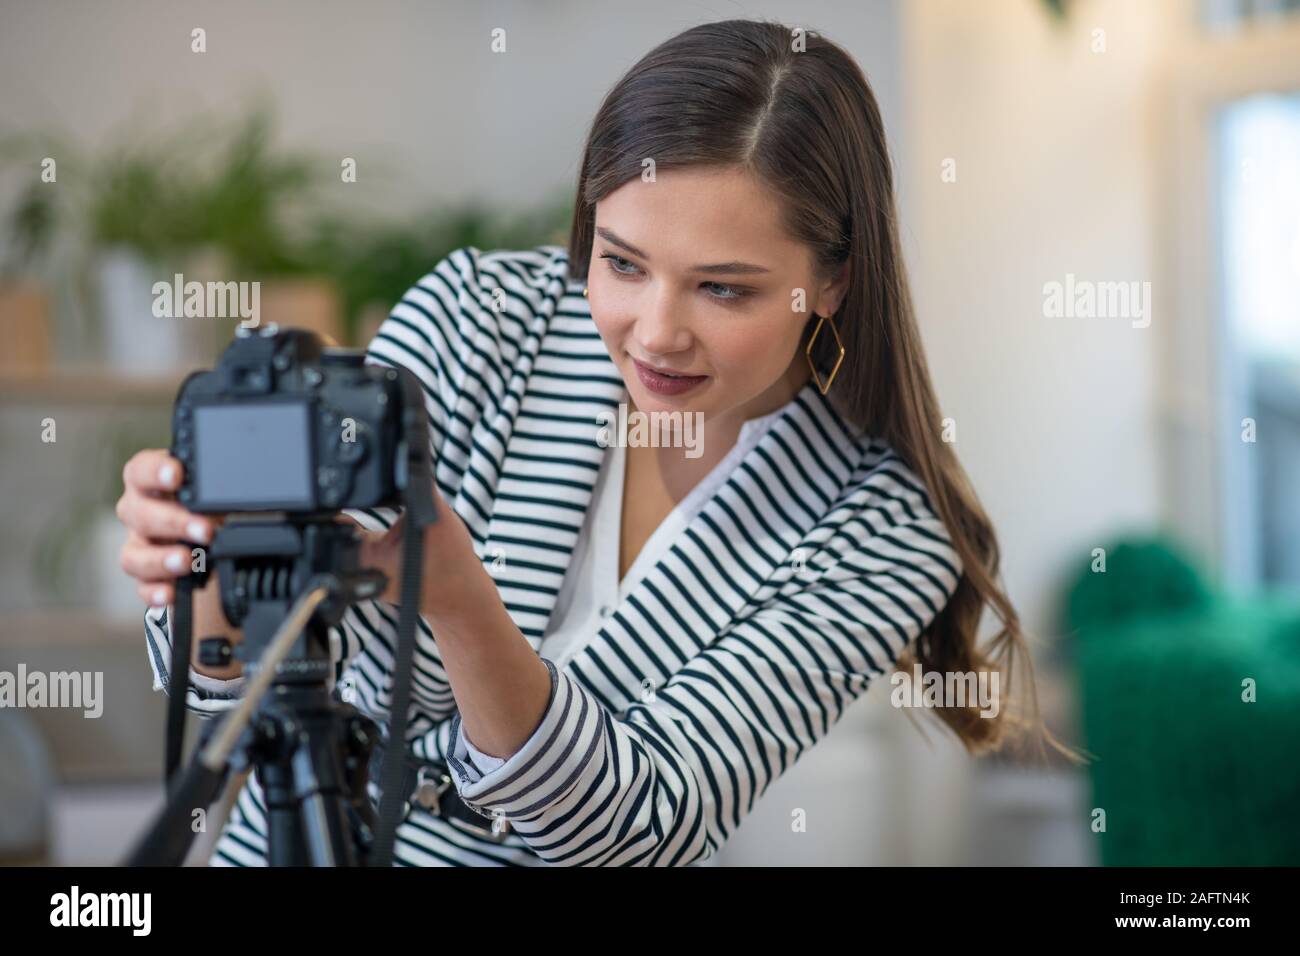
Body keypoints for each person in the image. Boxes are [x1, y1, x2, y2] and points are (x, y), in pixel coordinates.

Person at [116, 19, 1067, 867]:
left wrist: (460, 602)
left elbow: (633, 827)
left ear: (830, 281)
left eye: (723, 287)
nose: (653, 333)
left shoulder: (880, 528)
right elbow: (255, 686)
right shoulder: (482, 314)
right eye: (620, 263)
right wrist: (215, 565)